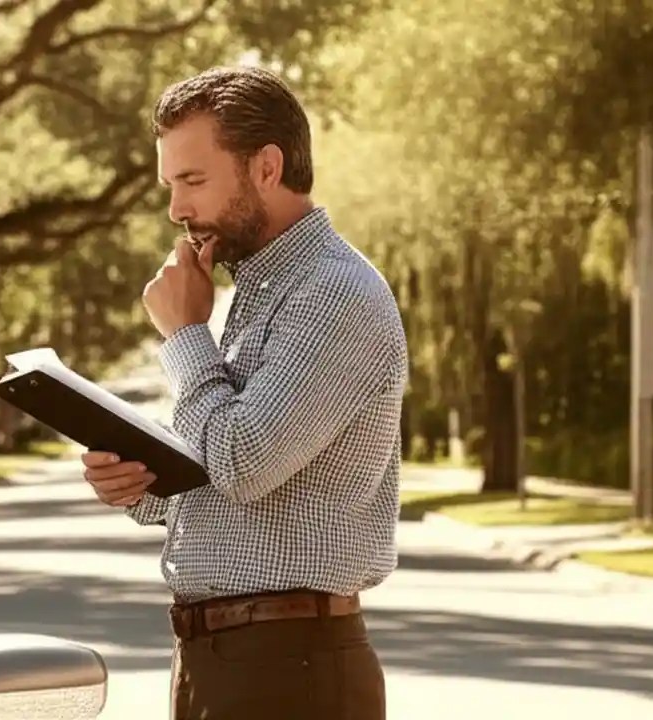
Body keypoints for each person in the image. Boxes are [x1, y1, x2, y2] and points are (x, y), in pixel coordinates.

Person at [80, 65, 408, 719]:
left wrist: (183, 334)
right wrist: (143, 483)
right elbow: (220, 463)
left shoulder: (334, 293)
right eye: (170, 184)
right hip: (225, 663)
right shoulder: (249, 295)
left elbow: (242, 460)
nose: (176, 209)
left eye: (193, 180)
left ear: (266, 167)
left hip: (292, 668)